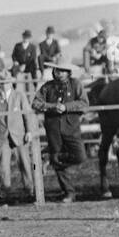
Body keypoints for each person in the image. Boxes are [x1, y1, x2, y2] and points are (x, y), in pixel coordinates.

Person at [32, 58, 88, 203]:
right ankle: (69, 192)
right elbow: (35, 103)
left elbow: (84, 103)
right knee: (58, 161)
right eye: (58, 70)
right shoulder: (47, 87)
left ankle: (52, 159)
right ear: (54, 71)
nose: (60, 73)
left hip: (72, 128)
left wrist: (67, 107)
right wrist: (52, 106)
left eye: (63, 71)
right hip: (53, 128)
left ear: (68, 72)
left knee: (80, 156)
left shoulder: (76, 84)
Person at [0, 75, 37, 199]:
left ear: (11, 82)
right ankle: (5, 191)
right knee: (3, 165)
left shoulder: (19, 95)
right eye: (2, 81)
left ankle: (30, 188)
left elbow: (27, 114)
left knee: (25, 163)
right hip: (3, 136)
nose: (5, 84)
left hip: (19, 135)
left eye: (7, 81)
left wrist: (29, 131)